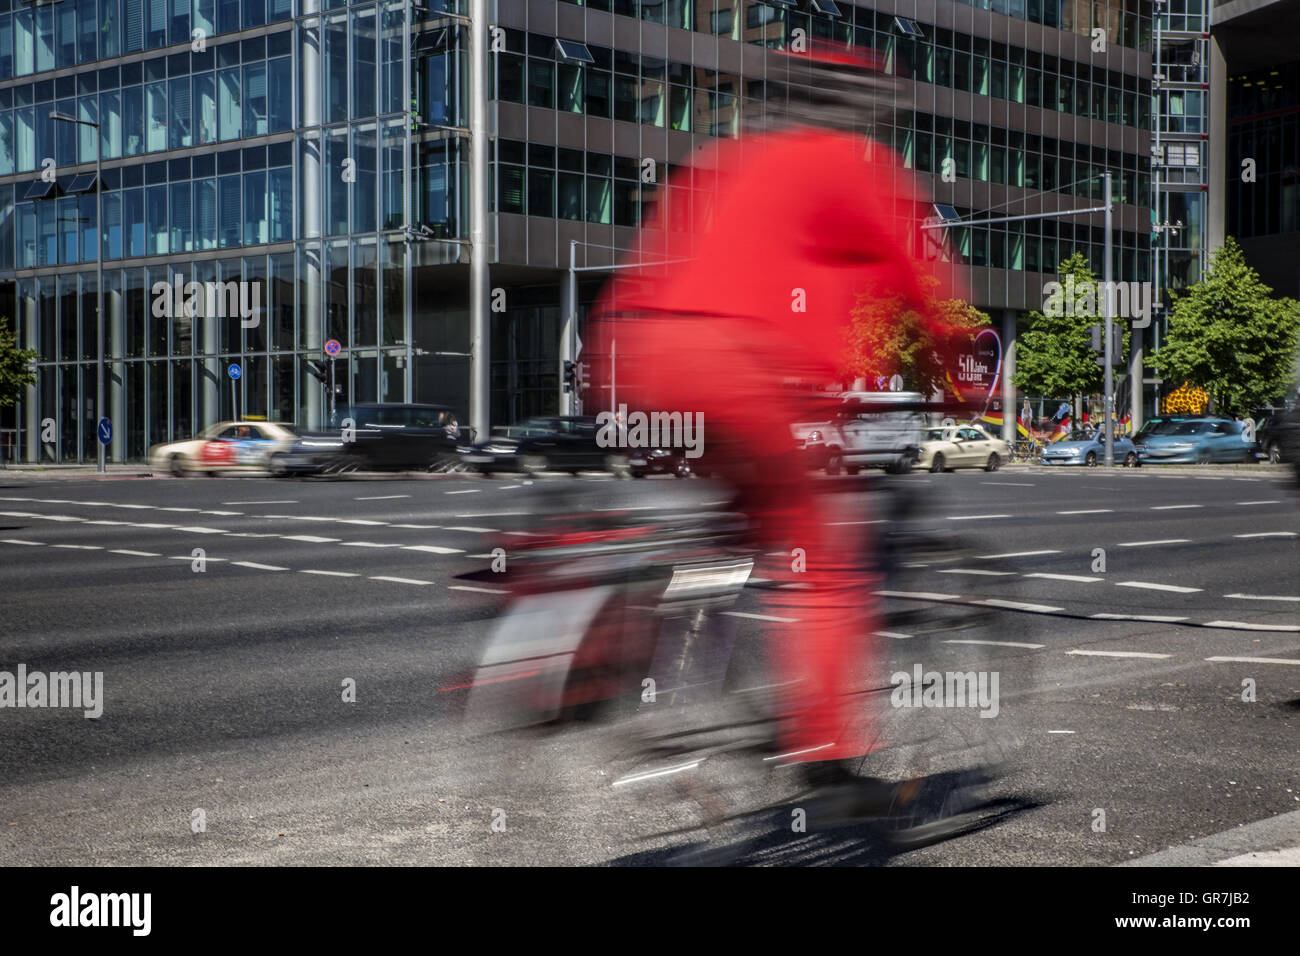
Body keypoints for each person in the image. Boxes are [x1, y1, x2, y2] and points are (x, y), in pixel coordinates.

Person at [587, 43, 972, 808]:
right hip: (735, 367)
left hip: (627, 355)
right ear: (862, 107)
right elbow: (926, 290)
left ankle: (613, 660)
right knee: (825, 555)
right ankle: (826, 762)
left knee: (731, 528)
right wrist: (959, 386)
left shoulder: (720, 159)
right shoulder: (855, 165)